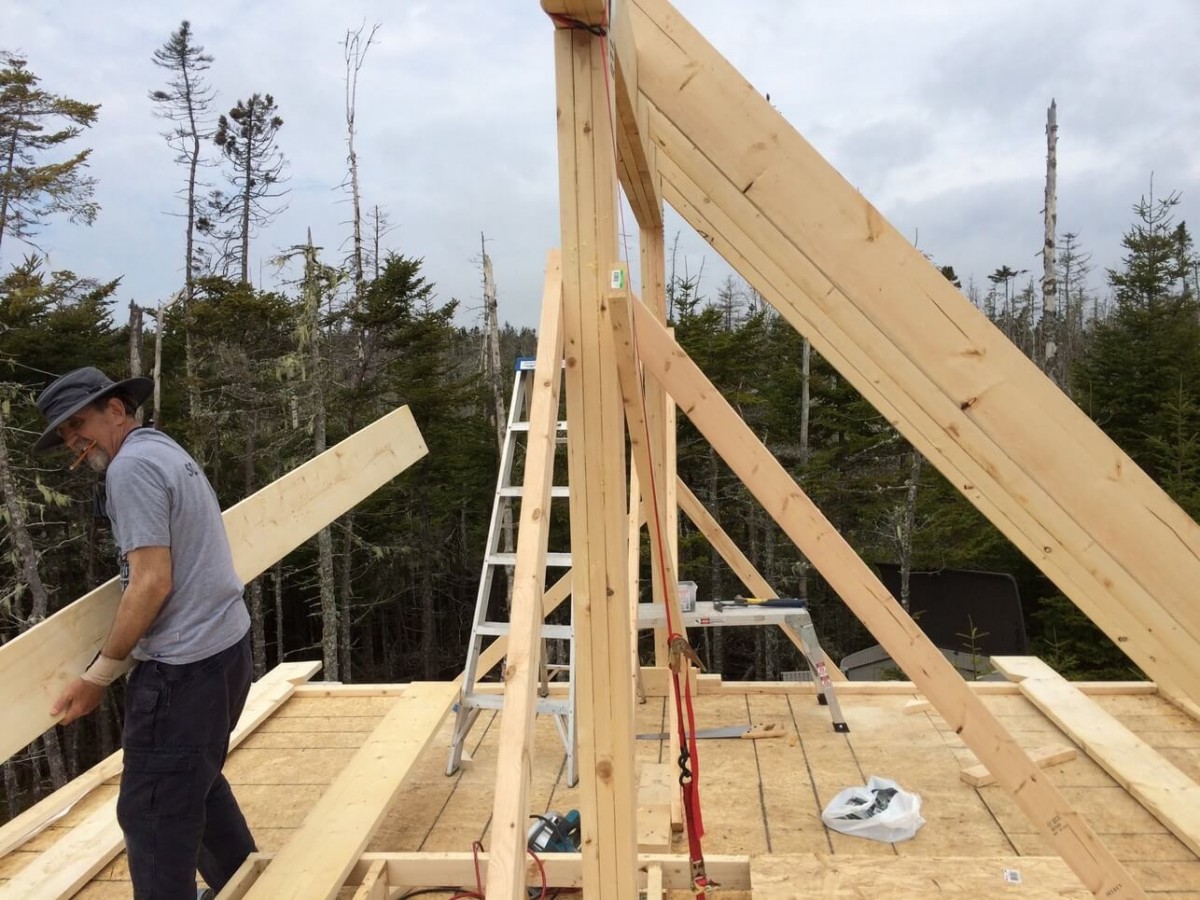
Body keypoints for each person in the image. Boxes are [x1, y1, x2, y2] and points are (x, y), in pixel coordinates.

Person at [34, 366, 256, 899]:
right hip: (225, 651)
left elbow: (151, 582)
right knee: (194, 784)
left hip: (182, 672)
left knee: (152, 814)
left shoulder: (129, 469)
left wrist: (99, 675)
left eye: (78, 423)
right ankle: (247, 885)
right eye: (64, 434)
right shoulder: (161, 448)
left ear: (116, 408)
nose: (73, 442)